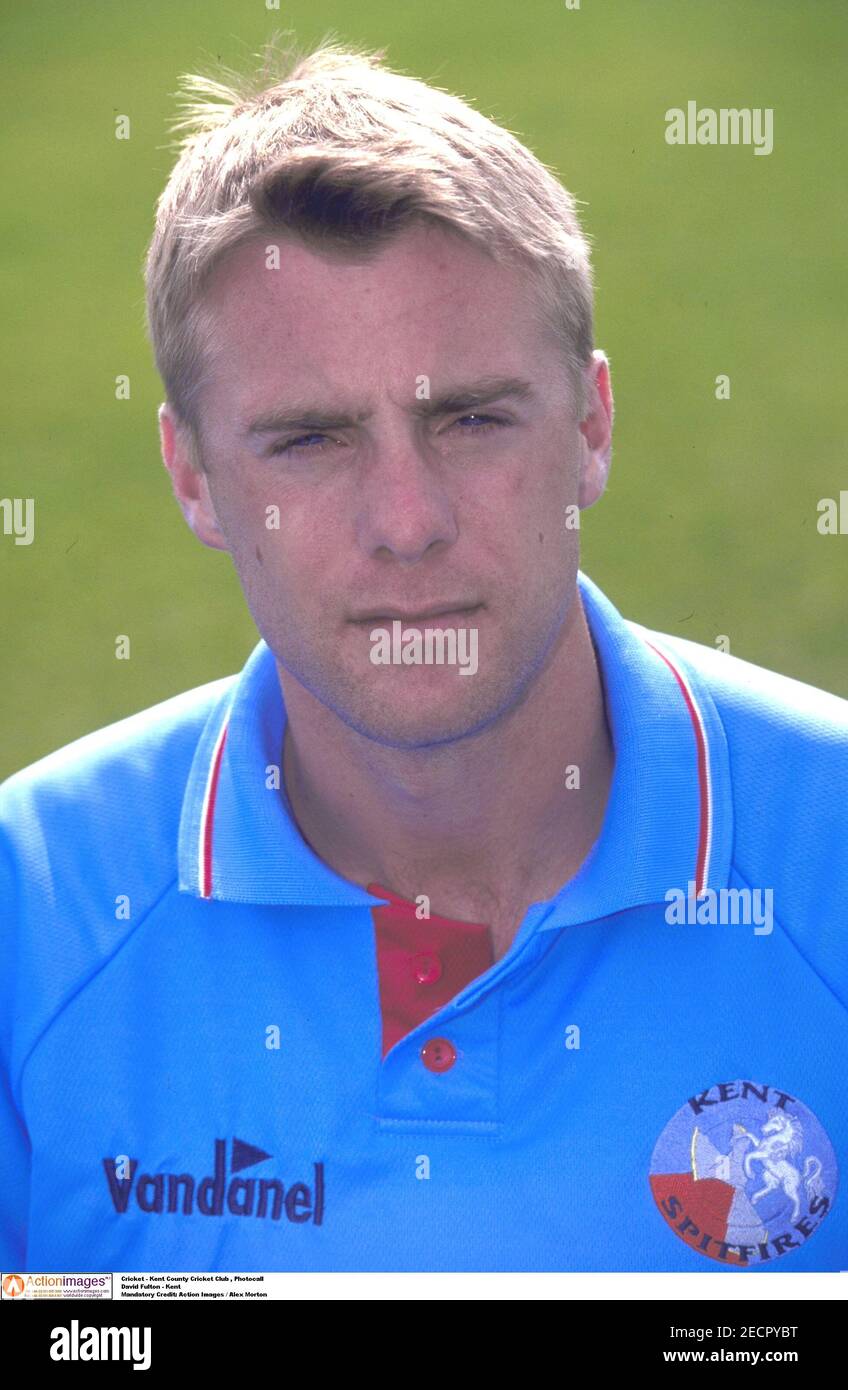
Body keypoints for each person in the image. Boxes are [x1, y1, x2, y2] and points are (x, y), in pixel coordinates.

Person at [0, 37, 845, 1275]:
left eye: (471, 419)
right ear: (191, 475)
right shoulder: (33, 914)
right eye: (309, 440)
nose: (407, 522)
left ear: (592, 426)